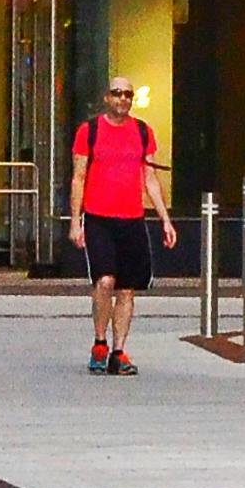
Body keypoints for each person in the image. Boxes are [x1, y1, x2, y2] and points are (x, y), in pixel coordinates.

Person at [69, 78, 173, 369]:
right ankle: (100, 342)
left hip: (132, 219)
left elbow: (150, 179)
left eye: (128, 94)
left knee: (127, 289)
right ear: (106, 97)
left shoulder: (142, 131)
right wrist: (75, 221)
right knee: (105, 281)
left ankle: (118, 352)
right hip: (99, 218)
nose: (123, 99)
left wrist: (165, 219)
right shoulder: (89, 131)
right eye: (117, 93)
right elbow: (78, 177)